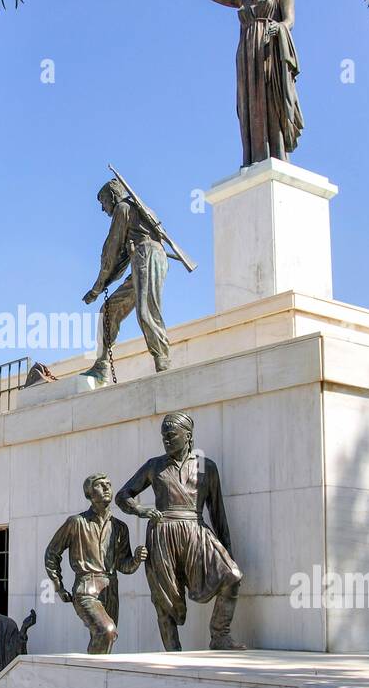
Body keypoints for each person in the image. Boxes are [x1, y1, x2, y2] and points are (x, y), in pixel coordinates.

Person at [116, 411, 246, 651]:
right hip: (162, 533)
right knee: (164, 598)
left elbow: (218, 513)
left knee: (232, 576)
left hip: (195, 531)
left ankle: (219, 635)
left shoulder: (207, 467)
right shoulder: (154, 466)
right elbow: (123, 495)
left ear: (188, 436)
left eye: (171, 435)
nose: (166, 440)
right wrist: (140, 510)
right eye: (163, 436)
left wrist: (227, 550)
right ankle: (173, 652)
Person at [199, 0, 304, 165]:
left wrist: (280, 27)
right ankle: (253, 158)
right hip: (247, 56)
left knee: (270, 101)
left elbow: (289, 20)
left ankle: (276, 153)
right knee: (249, 105)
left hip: (269, 52)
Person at [45, 474, 147, 654]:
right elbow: (52, 553)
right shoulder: (76, 522)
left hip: (111, 589)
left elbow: (124, 565)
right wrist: (58, 586)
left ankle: (94, 679)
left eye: (109, 484)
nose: (107, 488)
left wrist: (137, 559)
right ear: (89, 494)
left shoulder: (120, 527)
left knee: (106, 638)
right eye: (100, 485)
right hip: (86, 588)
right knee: (106, 631)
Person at [81, 179, 170, 381]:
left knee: (146, 311)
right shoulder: (133, 211)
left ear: (112, 196)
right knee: (109, 310)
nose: (103, 209)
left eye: (103, 202)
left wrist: (97, 287)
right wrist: (102, 284)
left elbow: (111, 251)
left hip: (147, 255)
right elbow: (120, 259)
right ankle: (101, 364)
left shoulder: (123, 208)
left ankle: (162, 359)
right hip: (140, 258)